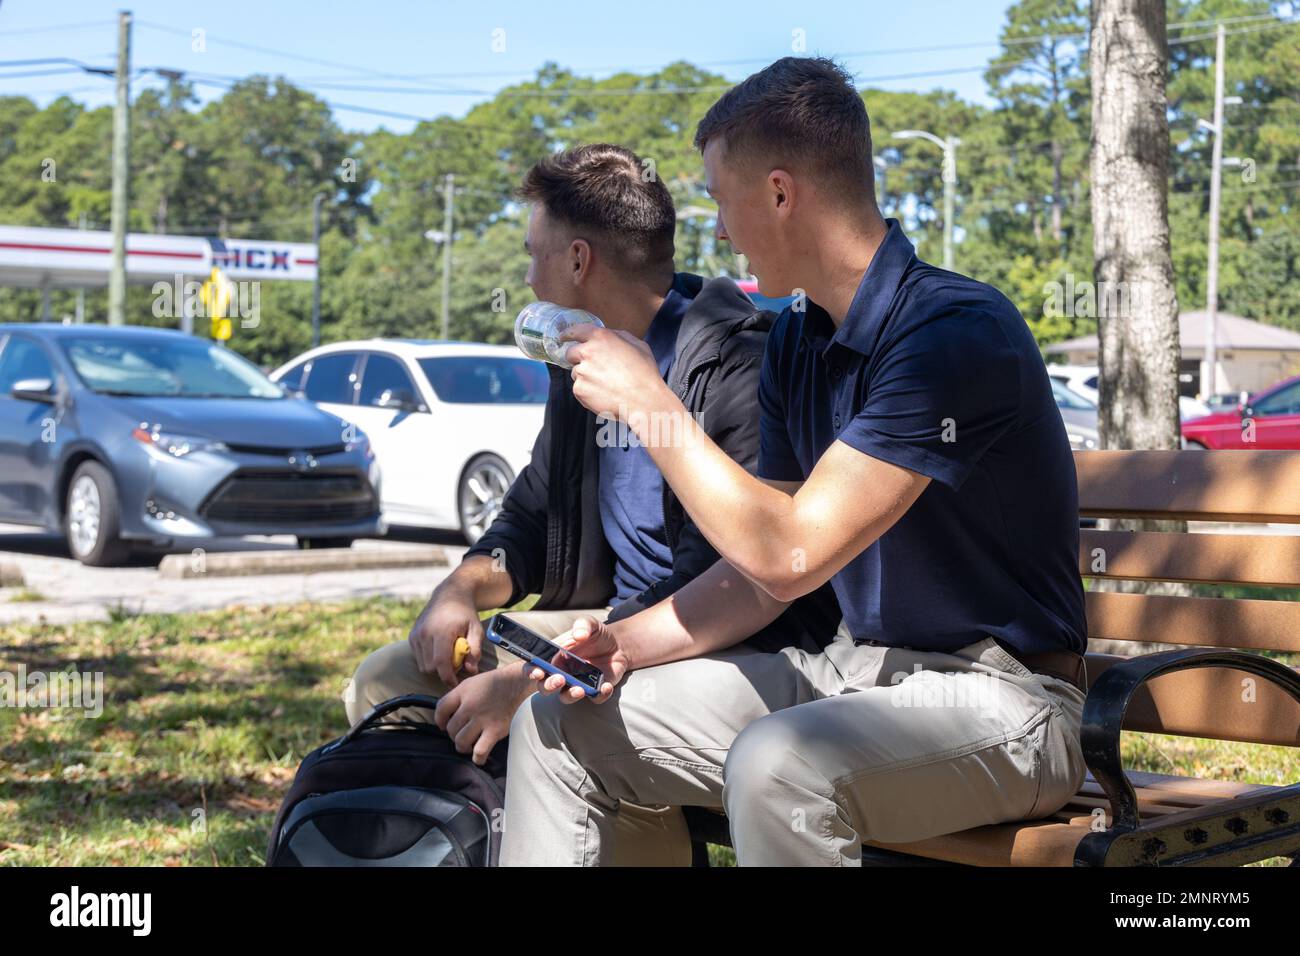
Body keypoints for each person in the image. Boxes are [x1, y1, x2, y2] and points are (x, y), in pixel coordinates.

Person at [499, 58, 1088, 867]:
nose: (715, 230)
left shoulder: (953, 333)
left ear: (779, 193)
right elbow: (762, 571)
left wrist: (651, 407)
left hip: (1006, 701)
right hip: (855, 677)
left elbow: (791, 549)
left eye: (718, 197)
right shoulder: (795, 343)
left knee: (780, 763)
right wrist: (624, 643)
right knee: (565, 721)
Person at [343, 142, 840, 866]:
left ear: (578, 261)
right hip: (611, 629)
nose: (525, 274)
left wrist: (527, 678)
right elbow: (532, 515)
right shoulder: (581, 361)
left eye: (531, 252)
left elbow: (728, 580)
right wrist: (459, 591)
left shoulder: (740, 363)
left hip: (713, 640)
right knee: (389, 678)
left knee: (550, 711)